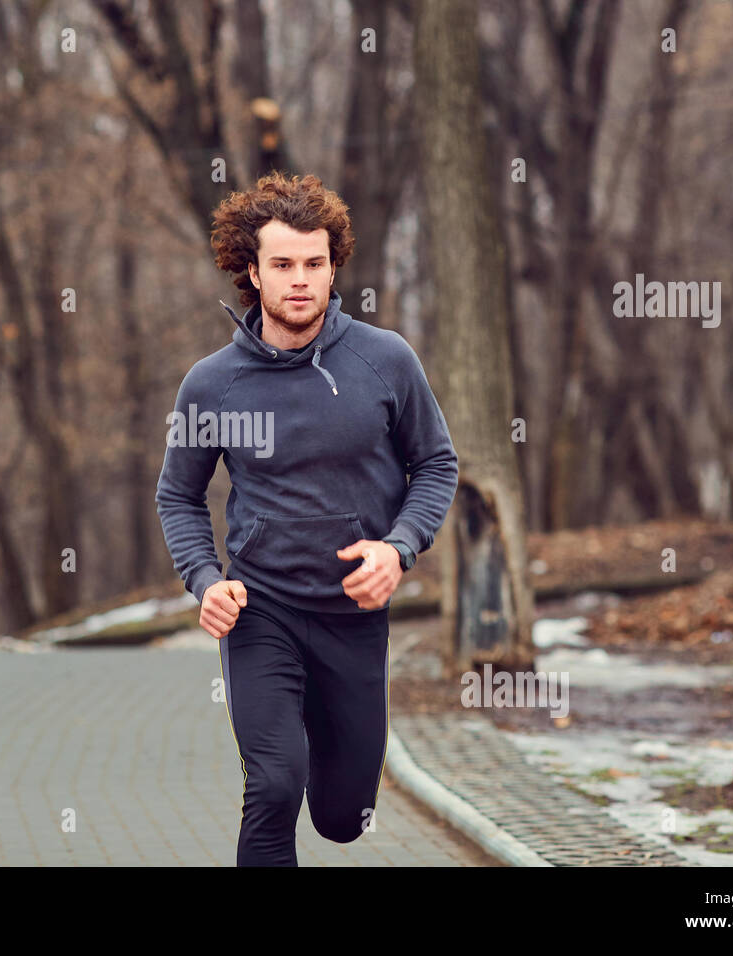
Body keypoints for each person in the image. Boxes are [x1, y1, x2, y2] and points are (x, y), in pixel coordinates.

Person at [154, 171, 459, 866]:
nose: (301, 279)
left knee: (344, 818)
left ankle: (330, 746)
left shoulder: (385, 361)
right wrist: (206, 580)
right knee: (274, 784)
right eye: (283, 264)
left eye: (314, 264)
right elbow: (178, 495)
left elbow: (437, 465)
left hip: (353, 620)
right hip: (263, 612)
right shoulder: (212, 385)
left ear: (333, 265)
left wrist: (398, 549)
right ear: (251, 271)